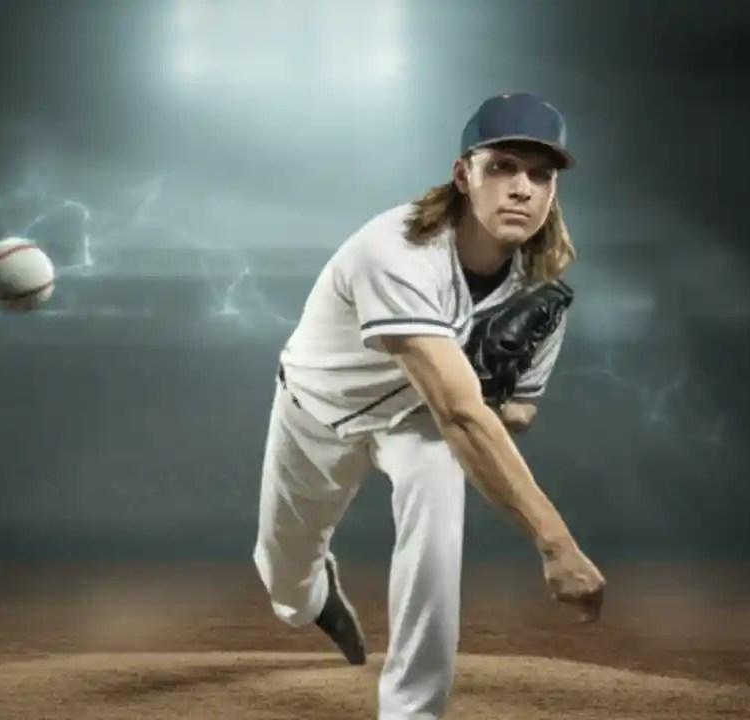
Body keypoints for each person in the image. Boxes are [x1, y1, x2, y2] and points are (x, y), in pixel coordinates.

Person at [252, 92, 606, 719]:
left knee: (440, 499)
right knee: (284, 575)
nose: (523, 187)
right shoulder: (395, 249)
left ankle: (412, 711)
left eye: (541, 174)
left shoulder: (541, 287)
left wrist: (492, 396)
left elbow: (513, 416)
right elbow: (461, 412)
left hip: (416, 423)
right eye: (503, 166)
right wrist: (556, 545)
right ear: (463, 173)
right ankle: (311, 599)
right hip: (317, 411)